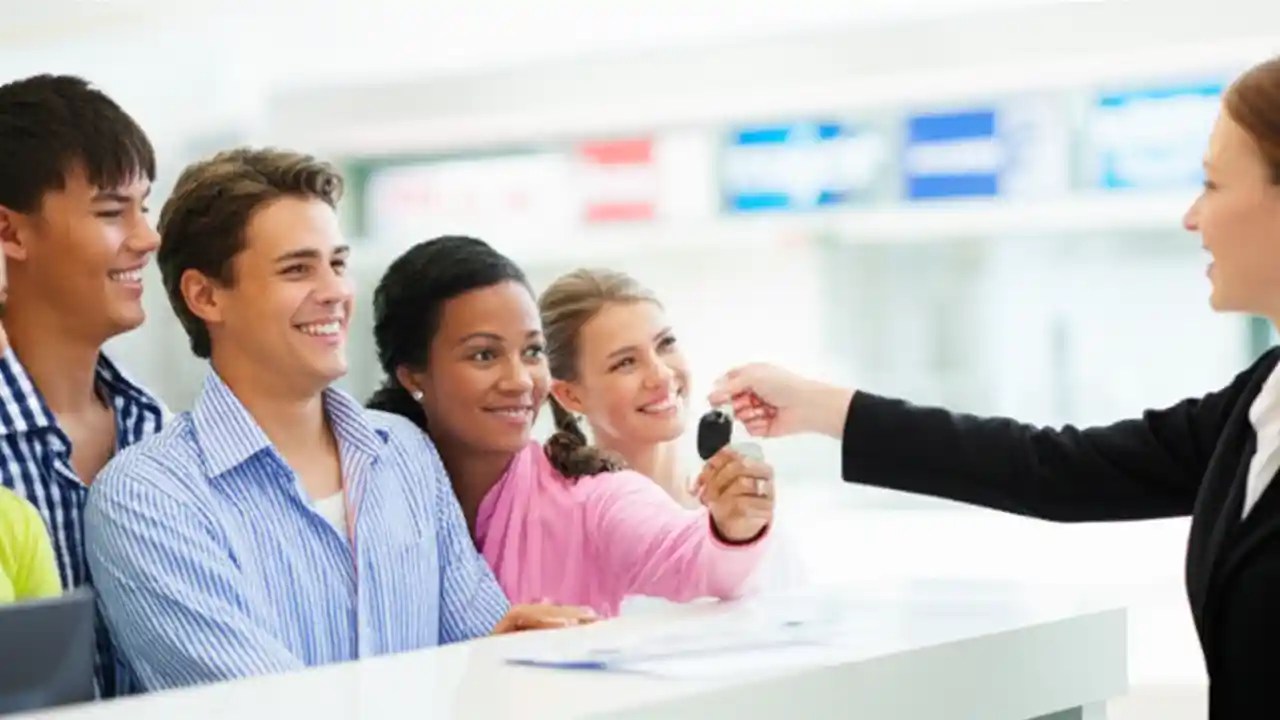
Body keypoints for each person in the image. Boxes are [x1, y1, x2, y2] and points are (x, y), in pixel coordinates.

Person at [707, 55, 1280, 718]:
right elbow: (1055, 469)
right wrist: (824, 408)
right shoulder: (1259, 402)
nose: (1191, 216)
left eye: (1211, 184)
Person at [84, 149, 595, 693]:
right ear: (205, 295)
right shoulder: (148, 499)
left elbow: (484, 652)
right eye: (297, 269)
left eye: (338, 263)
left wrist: (525, 651)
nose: (334, 293)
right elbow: (265, 708)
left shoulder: (404, 452)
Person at [366, 235, 773, 618]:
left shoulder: (592, 500)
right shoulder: (368, 498)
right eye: (484, 355)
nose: (521, 380)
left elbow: (698, 560)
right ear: (413, 376)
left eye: (532, 351)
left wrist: (735, 528)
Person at [0, 73, 166, 696]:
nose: (148, 237)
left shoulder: (158, 430)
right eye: (110, 211)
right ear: (10, 233)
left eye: (143, 207)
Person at [537, 268, 805, 591]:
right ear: (570, 395)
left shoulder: (741, 501)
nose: (662, 375)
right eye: (625, 363)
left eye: (665, 344)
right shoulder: (584, 528)